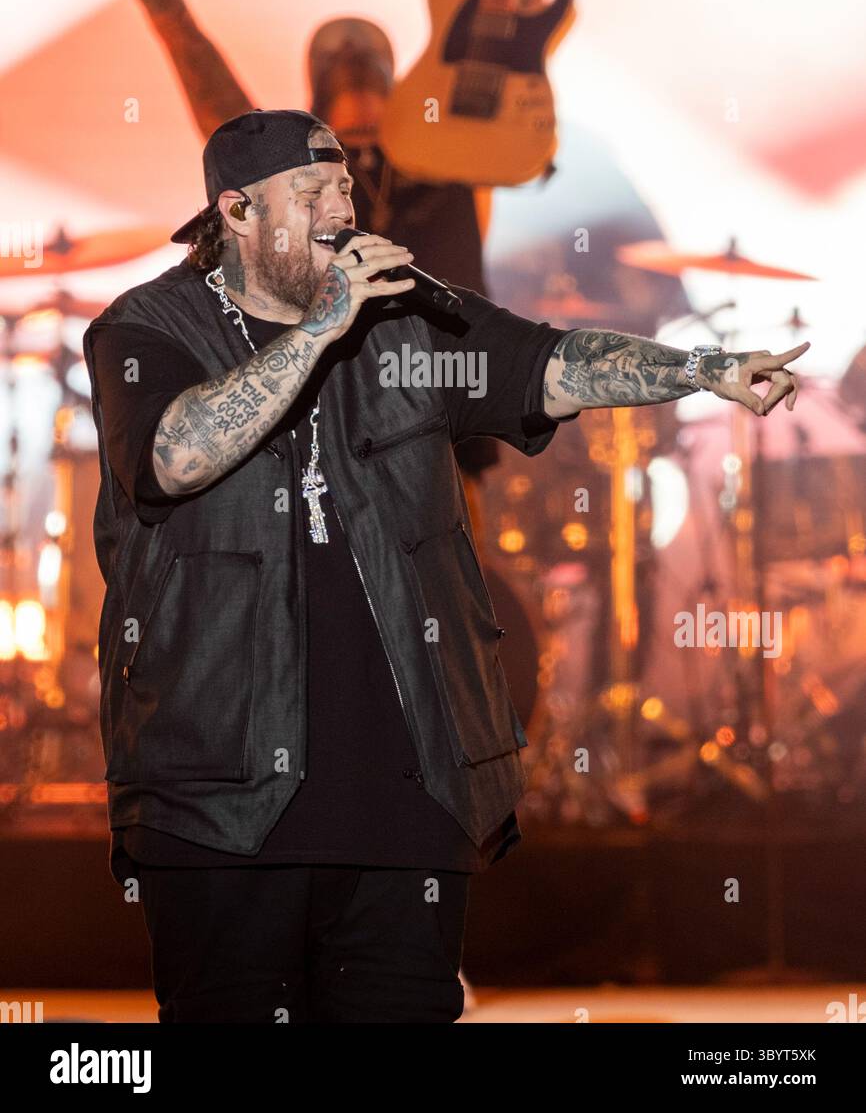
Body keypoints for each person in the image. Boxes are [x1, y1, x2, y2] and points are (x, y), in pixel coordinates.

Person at [83, 108, 807, 1023]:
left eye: (342, 188)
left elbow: (553, 365)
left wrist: (707, 367)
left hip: (405, 802)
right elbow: (174, 456)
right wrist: (317, 330)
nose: (337, 209)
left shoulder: (409, 326)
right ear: (235, 211)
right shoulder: (144, 330)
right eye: (308, 194)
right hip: (220, 806)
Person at [108, 0, 575, 532]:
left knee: (443, 610)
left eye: (364, 54)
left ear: (398, 76)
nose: (352, 62)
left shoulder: (446, 145)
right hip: (317, 424)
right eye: (336, 55)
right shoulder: (282, 164)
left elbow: (515, 7)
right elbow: (184, 40)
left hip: (434, 416)